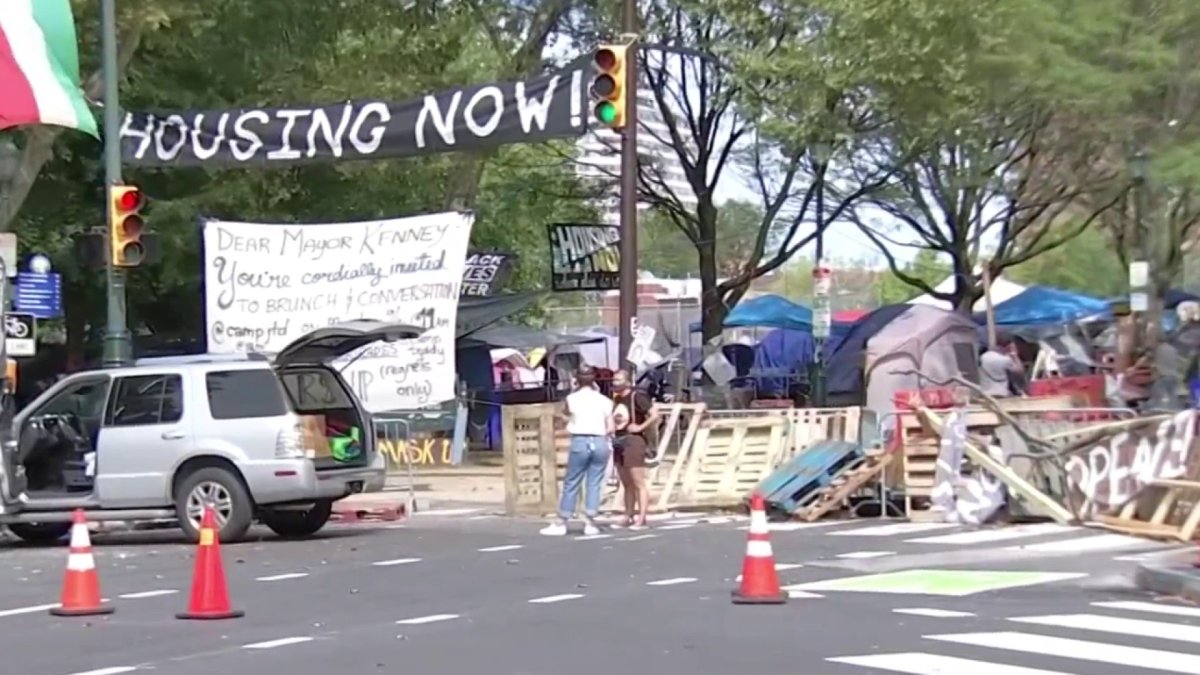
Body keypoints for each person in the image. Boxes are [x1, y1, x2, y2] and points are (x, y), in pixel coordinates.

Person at [540, 367, 613, 536]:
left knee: (572, 481)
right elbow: (610, 426)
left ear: (577, 379)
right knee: (594, 483)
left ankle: (562, 520)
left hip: (581, 440)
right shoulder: (604, 400)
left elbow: (564, 415)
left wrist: (569, 420)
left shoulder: (572, 398)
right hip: (599, 440)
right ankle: (590, 521)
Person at [611, 369, 658, 529]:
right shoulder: (616, 399)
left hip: (633, 441)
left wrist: (640, 427)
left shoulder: (636, 396)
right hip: (618, 439)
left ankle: (642, 517)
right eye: (614, 380)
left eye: (618, 380)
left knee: (638, 482)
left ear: (627, 381)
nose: (614, 382)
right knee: (626, 483)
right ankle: (628, 515)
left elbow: (654, 414)